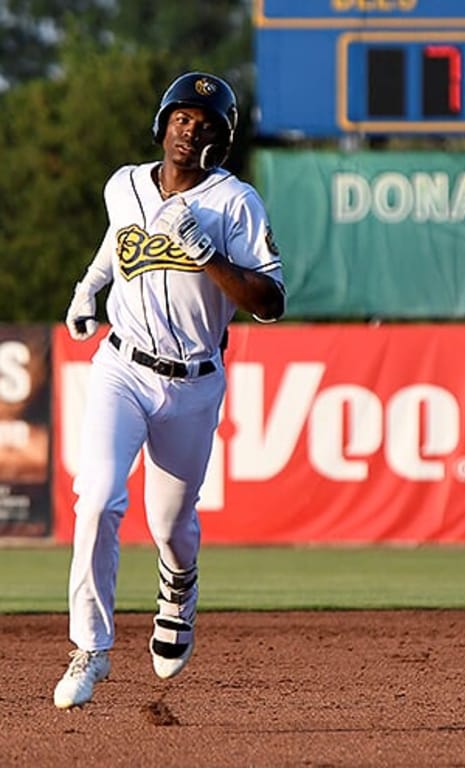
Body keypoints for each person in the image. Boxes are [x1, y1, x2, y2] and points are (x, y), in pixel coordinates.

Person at [53, 72, 286, 709]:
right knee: (98, 498)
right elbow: (117, 238)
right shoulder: (124, 184)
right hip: (122, 366)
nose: (190, 130)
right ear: (163, 124)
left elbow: (271, 301)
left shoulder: (235, 203)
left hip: (193, 383)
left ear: (221, 140)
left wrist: (208, 255)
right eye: (182, 117)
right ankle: (90, 647)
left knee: (171, 523)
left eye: (205, 123)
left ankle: (178, 589)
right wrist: (89, 287)